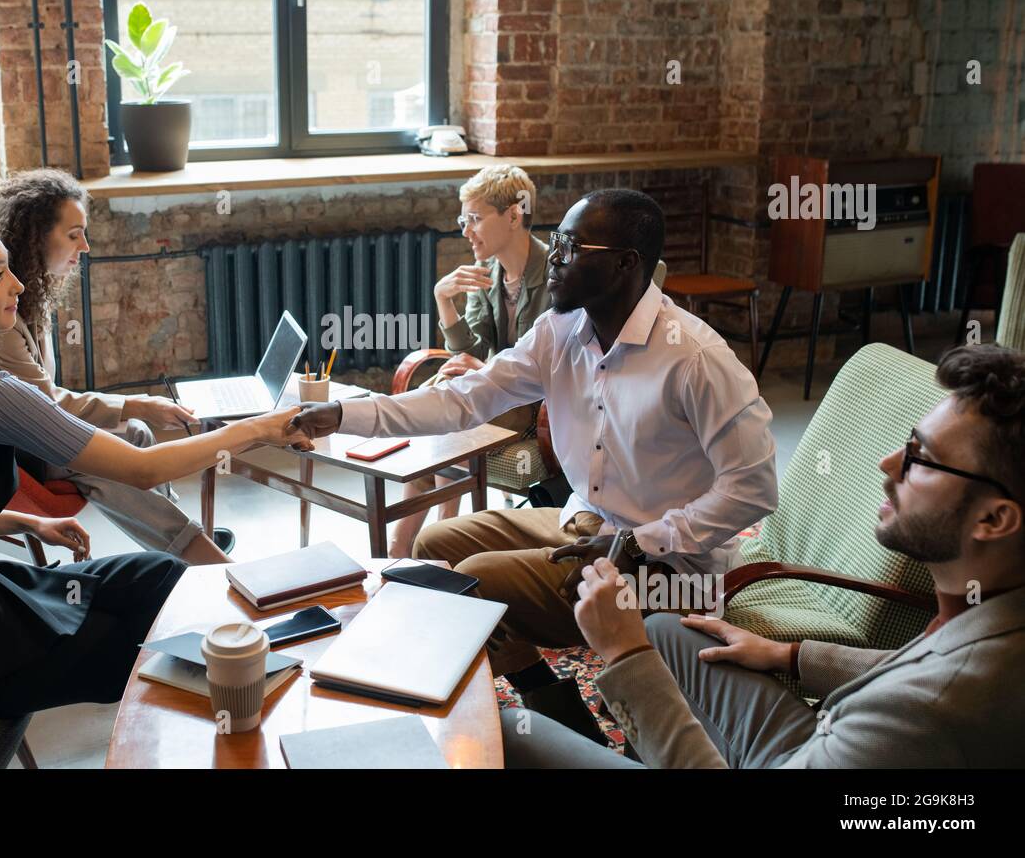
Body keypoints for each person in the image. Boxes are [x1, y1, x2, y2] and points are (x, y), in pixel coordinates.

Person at [291, 189, 777, 742]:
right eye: (558, 243)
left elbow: (753, 488)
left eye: (570, 249)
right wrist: (343, 414)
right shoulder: (560, 331)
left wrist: (640, 542)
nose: (553, 259)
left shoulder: (694, 358)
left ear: (625, 264)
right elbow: (464, 398)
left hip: (673, 568)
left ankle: (461, 728)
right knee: (432, 550)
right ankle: (554, 708)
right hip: (588, 523)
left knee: (472, 586)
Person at [0, 209, 312, 719]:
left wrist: (27, 520)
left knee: (161, 574)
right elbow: (142, 470)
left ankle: (236, 689)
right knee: (142, 642)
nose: (16, 284)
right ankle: (221, 720)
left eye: (9, 268)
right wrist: (257, 428)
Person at [506, 343, 1025, 768]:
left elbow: (923, 689)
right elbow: (920, 661)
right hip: (822, 745)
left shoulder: (919, 713)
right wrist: (791, 655)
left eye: (923, 459)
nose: (888, 464)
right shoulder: (987, 614)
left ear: (995, 519)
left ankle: (557, 698)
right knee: (668, 631)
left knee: (511, 733)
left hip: (825, 753)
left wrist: (623, 653)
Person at [0, 168, 231, 565]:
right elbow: (45, 409)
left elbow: (47, 397)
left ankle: (174, 542)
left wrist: (137, 409)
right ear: (34, 237)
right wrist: (136, 402)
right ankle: (203, 559)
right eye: (73, 234)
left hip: (34, 430)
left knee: (135, 433)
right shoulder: (2, 318)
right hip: (12, 451)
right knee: (106, 464)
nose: (84, 246)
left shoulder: (32, 298)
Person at [389, 165, 551, 558]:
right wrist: (443, 301)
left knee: (444, 421)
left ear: (514, 215)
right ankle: (419, 545)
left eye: (475, 219)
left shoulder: (555, 275)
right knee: (432, 402)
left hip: (537, 403)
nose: (465, 231)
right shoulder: (489, 274)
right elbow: (474, 350)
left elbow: (560, 365)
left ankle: (407, 547)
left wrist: (484, 373)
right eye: (465, 219)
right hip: (495, 388)